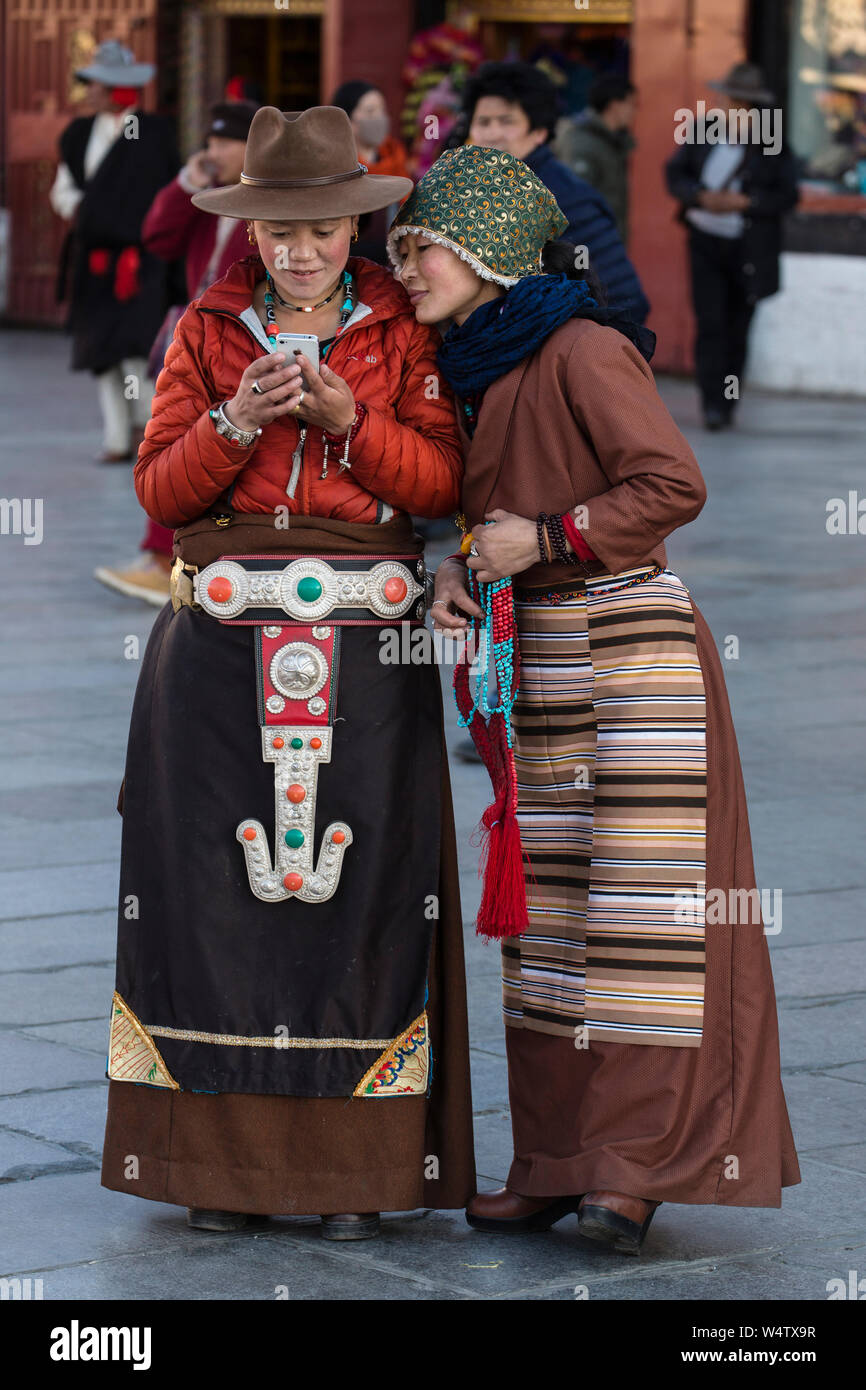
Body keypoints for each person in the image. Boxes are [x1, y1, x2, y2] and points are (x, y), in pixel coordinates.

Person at [388, 144, 800, 1254]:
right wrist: (461, 571)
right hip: (542, 667)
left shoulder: (580, 345)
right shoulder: (471, 363)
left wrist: (551, 537)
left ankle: (629, 1168)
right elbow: (492, 521)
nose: (406, 267)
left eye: (419, 245)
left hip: (632, 657)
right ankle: (553, 1161)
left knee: (639, 933)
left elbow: (672, 483)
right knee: (552, 928)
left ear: (479, 251)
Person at [100, 106, 475, 1238]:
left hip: (369, 646)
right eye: (276, 228)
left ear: (356, 220)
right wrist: (230, 420)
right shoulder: (206, 327)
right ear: (249, 229)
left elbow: (438, 485)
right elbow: (161, 495)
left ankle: (350, 1174)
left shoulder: (401, 330)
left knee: (360, 901)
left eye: (320, 226)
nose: (298, 248)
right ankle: (214, 1172)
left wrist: (350, 422)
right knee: (208, 902)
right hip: (213, 650)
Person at [94, 99, 259, 606]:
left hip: (245, 347)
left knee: (203, 450)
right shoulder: (209, 200)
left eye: (225, 142)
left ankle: (172, 560)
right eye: (209, 142)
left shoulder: (268, 207)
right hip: (197, 340)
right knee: (174, 443)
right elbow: (158, 236)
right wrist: (187, 181)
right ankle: (165, 559)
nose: (214, 152)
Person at [50, 41, 179, 463]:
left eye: (95, 84)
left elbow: (164, 192)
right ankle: (116, 439)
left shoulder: (151, 132)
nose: (88, 92)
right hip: (96, 261)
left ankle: (147, 427)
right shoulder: (78, 134)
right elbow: (64, 190)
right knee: (100, 351)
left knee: (137, 349)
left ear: (116, 88)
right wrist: (88, 213)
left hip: (142, 261)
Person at [665, 63, 800, 431]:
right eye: (727, 99)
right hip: (704, 240)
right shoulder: (702, 131)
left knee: (737, 328)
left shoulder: (770, 142)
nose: (729, 107)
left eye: (739, 102)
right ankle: (710, 403)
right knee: (709, 323)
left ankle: (727, 403)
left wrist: (747, 203)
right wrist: (698, 197)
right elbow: (675, 174)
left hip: (748, 248)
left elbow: (788, 195)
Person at [461, 61, 649, 322]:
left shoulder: (568, 198)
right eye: (483, 122)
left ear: (539, 131)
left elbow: (624, 299)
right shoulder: (475, 188)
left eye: (506, 122)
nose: (492, 134)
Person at [330, 81, 411, 264]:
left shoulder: (397, 160)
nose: (379, 118)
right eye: (370, 112)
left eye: (381, 110)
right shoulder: (337, 168)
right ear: (348, 120)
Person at [555, 75, 637, 242]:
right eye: (632, 105)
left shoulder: (610, 140)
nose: (634, 112)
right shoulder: (582, 142)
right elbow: (575, 203)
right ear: (615, 105)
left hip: (608, 239)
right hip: (591, 245)